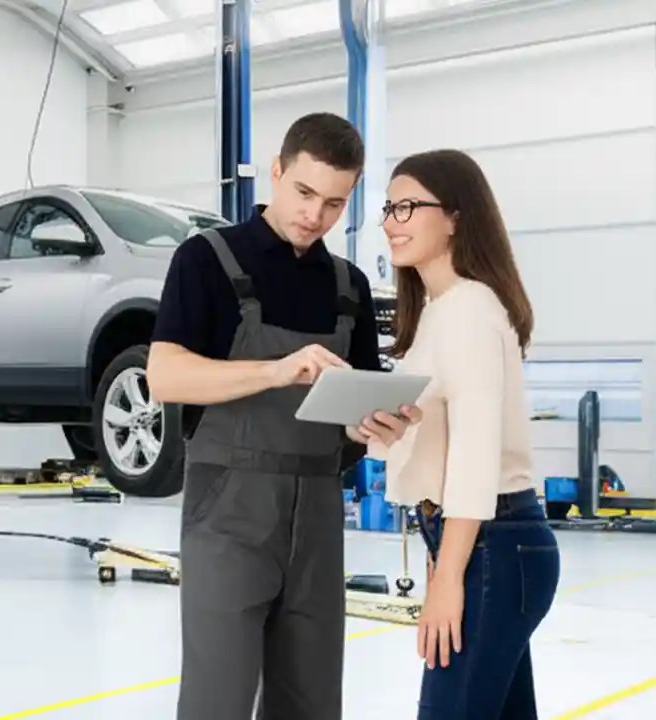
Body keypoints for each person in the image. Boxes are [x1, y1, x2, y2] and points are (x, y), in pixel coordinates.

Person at [147, 111, 419, 720]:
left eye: (333, 203)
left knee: (313, 699)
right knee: (218, 698)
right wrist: (275, 370)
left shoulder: (348, 286)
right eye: (303, 192)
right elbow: (164, 375)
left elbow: (352, 427)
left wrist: (371, 428)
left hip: (320, 511)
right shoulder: (206, 261)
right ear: (276, 171)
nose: (314, 215)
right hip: (229, 508)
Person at [350, 148, 561, 719]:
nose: (392, 223)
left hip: (492, 544)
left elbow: (474, 454)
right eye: (388, 209)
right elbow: (436, 436)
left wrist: (448, 576)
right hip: (487, 545)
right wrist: (379, 427)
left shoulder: (468, 308)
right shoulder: (440, 311)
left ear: (457, 216)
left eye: (408, 206)